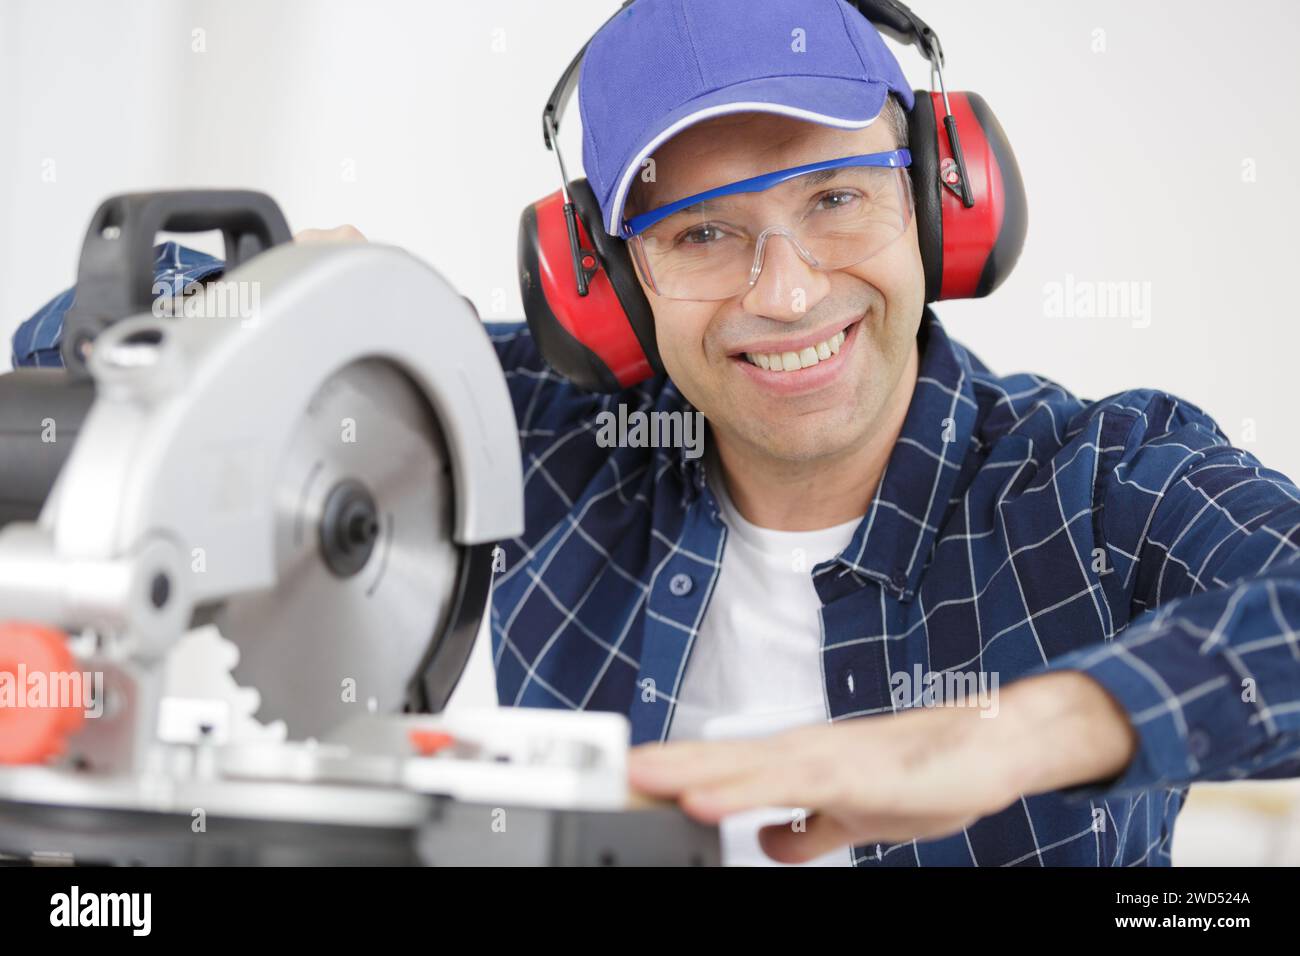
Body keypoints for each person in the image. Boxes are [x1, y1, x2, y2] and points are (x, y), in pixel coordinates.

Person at [13, 0, 1300, 867]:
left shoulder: (1104, 481)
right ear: (601, 277)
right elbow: (67, 356)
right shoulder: (523, 425)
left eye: (840, 197)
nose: (785, 292)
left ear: (943, 199)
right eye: (702, 233)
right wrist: (259, 311)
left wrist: (1022, 730)